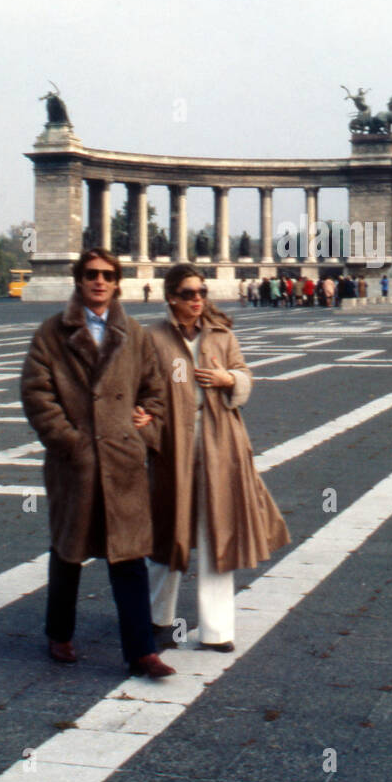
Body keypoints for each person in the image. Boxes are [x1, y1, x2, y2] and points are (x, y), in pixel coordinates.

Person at [20, 248, 174, 678]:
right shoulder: (51, 332)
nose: (99, 281)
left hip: (122, 460)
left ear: (118, 281)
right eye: (91, 274)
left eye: (107, 275)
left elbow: (155, 389)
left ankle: (142, 651)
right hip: (77, 462)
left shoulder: (136, 334)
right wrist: (69, 442)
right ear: (79, 279)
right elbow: (36, 394)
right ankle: (59, 632)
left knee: (128, 556)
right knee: (69, 553)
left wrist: (145, 423)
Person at [146, 263, 290, 652]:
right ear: (171, 297)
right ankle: (159, 620)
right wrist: (145, 424)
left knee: (217, 532)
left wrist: (230, 380)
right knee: (166, 533)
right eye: (189, 293)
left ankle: (217, 629)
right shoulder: (152, 338)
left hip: (218, 440)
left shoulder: (222, 335)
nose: (197, 300)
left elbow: (244, 376)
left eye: (202, 293)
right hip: (170, 443)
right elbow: (139, 389)